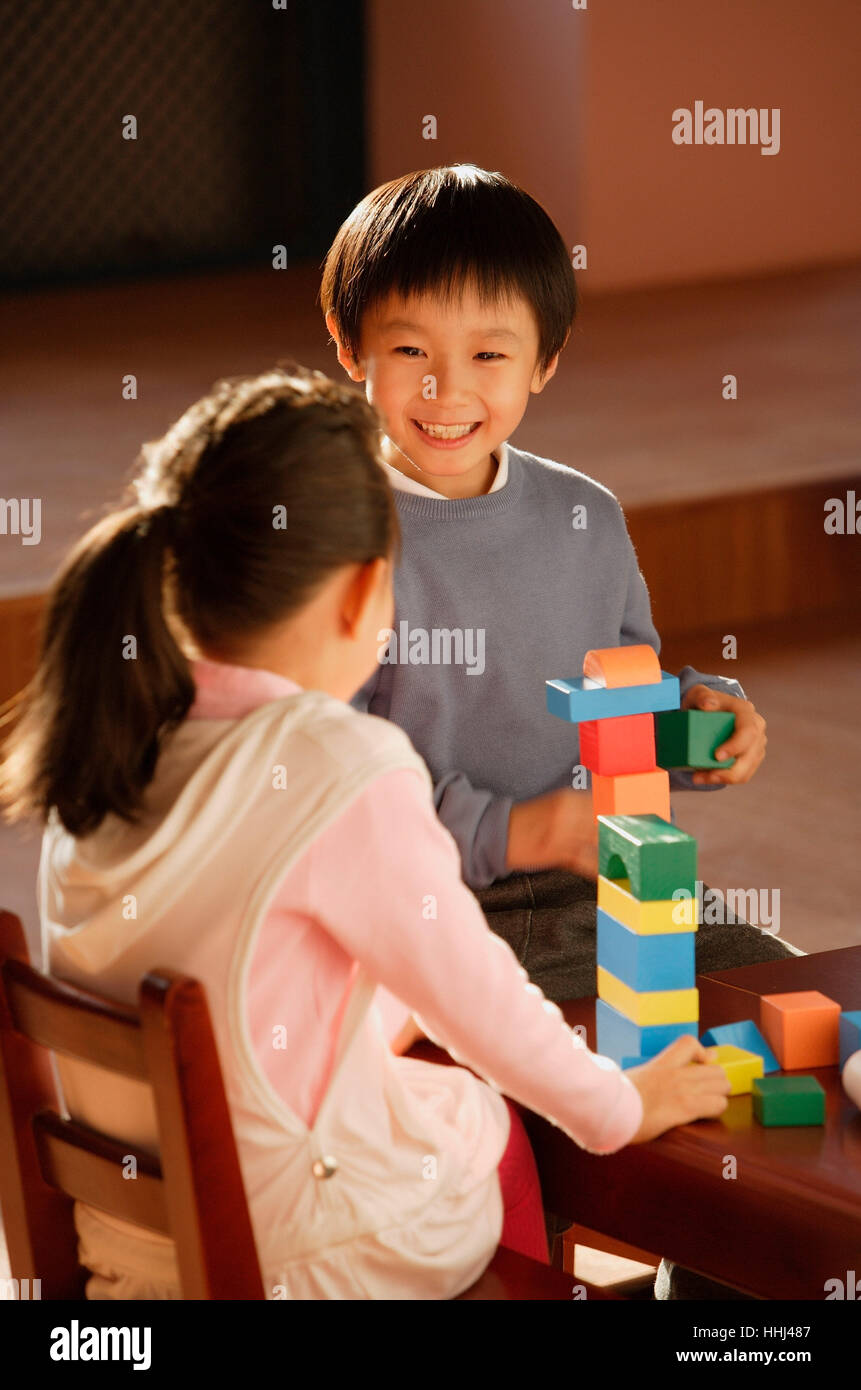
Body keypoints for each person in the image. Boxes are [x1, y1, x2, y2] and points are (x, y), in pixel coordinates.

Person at [0, 365, 730, 1301]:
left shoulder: (109, 739)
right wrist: (620, 1105)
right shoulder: (339, 760)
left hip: (133, 1252)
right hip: (295, 1261)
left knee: (428, 1097)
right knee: (484, 1127)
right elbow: (481, 1003)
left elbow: (232, 971)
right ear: (361, 595)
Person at [320, 165, 802, 1296]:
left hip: (612, 897)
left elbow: (623, 692)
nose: (448, 389)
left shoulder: (583, 515)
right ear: (349, 349)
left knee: (778, 1020)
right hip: (435, 924)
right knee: (583, 1092)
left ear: (543, 361)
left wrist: (699, 717)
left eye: (489, 354)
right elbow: (337, 786)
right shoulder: (337, 536)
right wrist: (520, 830)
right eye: (410, 350)